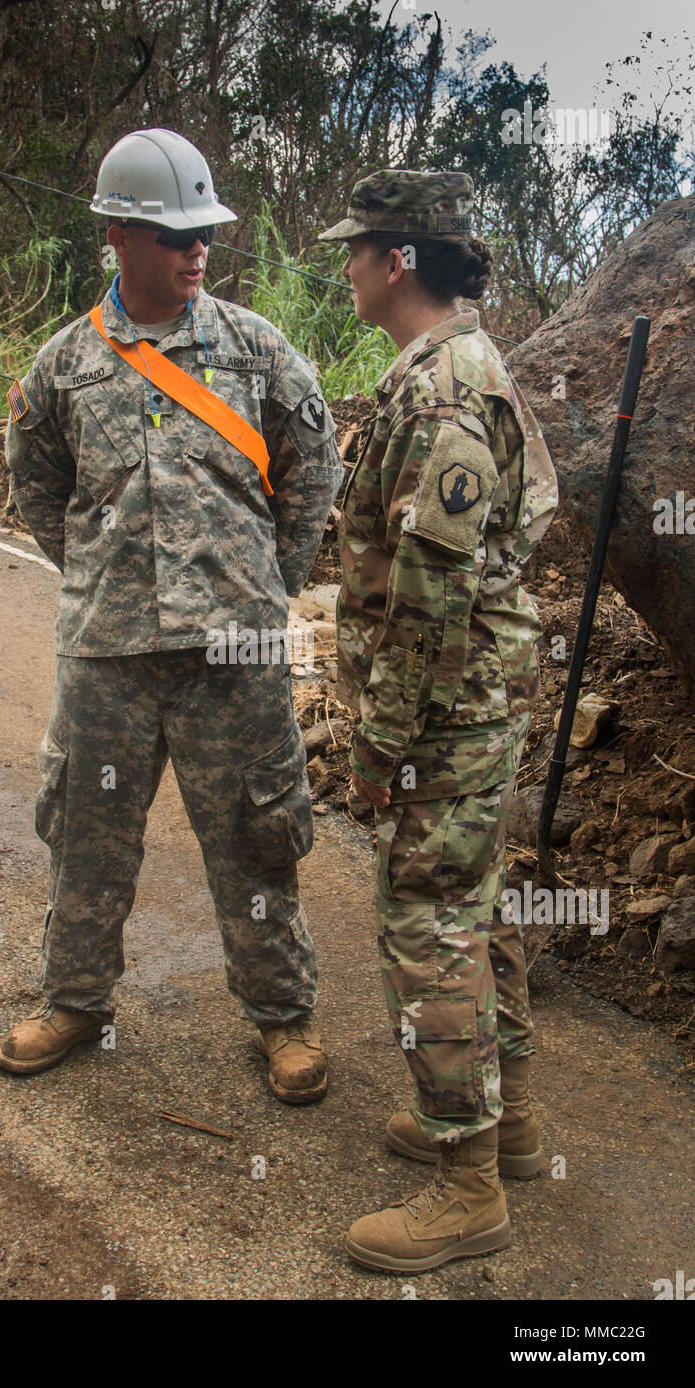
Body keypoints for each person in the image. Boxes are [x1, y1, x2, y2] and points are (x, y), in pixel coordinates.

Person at [0, 128, 342, 1104]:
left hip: (231, 652)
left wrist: (264, 576)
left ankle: (283, 1016)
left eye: (203, 232)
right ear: (116, 233)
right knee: (85, 825)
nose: (196, 250)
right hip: (107, 651)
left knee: (256, 831)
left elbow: (312, 468)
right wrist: (100, 574)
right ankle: (74, 999)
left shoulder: (253, 349)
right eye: (172, 234)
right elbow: (36, 483)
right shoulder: (63, 366)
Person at [318, 170, 558, 1270]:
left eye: (358, 249)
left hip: (441, 715)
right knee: (473, 907)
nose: (349, 265)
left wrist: (376, 746)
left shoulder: (442, 392)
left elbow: (425, 597)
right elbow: (528, 521)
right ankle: (502, 1127)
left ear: (397, 261)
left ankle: (465, 1186)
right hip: (472, 706)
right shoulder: (458, 365)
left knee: (429, 928)